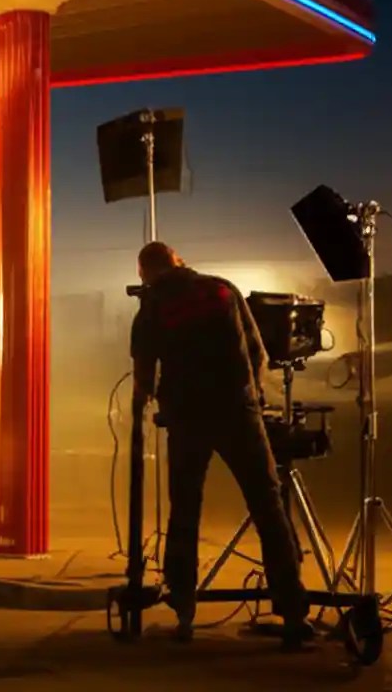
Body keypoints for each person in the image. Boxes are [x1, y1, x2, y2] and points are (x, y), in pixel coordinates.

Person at [129, 242, 312, 648]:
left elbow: (143, 373)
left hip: (187, 417)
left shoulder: (153, 305)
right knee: (268, 506)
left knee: (185, 510)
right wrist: (253, 399)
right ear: (180, 261)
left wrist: (150, 402)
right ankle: (294, 614)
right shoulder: (223, 289)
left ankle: (184, 613)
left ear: (145, 272)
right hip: (238, 411)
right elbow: (257, 351)